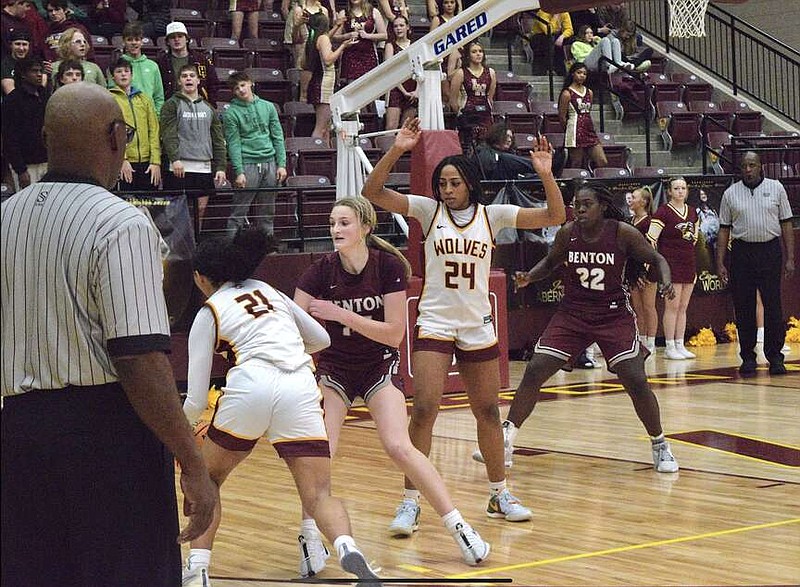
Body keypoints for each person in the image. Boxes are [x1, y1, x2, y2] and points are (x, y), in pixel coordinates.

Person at [1, 81, 216, 586]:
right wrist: (193, 462)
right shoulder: (122, 224)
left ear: (46, 137)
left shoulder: (4, 217)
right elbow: (139, 361)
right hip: (106, 439)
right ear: (117, 137)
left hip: (18, 433)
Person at [362, 118, 567, 534]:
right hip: (436, 321)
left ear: (470, 183)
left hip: (477, 325)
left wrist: (545, 175)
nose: (447, 190)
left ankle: (499, 493)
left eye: (454, 183)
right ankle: (410, 501)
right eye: (443, 184)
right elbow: (372, 193)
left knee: (488, 412)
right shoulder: (427, 209)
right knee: (423, 410)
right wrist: (399, 149)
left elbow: (556, 214)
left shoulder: (494, 215)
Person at [293, 197, 491, 575]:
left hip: (377, 365)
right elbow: (291, 323)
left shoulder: (387, 266)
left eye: (344, 223)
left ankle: (460, 526)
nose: (336, 230)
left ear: (365, 227)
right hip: (334, 368)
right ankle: (308, 535)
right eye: (333, 223)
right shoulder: (318, 272)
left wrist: (338, 313)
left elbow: (393, 333)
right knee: (322, 454)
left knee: (399, 445)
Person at [180, 227, 380, 587]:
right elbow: (321, 339)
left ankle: (198, 569)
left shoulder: (210, 311)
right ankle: (349, 548)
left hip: (250, 386)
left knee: (208, 480)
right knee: (319, 494)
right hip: (299, 386)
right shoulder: (268, 291)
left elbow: (195, 398)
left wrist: (177, 435)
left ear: (200, 278)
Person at [498, 183, 680, 473]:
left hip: (612, 315)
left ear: (603, 206)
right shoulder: (568, 233)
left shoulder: (622, 233)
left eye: (586, 204)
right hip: (573, 314)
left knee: (635, 379)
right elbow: (550, 262)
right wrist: (529, 278)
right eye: (576, 204)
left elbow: (656, 258)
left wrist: (666, 281)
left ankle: (660, 444)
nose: (579, 209)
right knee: (535, 369)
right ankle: (506, 438)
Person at [716, 151, 794, 376]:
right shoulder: (730, 193)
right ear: (740, 169)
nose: (748, 170)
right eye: (744, 166)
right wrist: (720, 262)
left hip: (770, 250)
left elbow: (787, 223)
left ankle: (775, 357)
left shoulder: (776, 188)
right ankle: (748, 358)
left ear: (760, 166)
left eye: (752, 165)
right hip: (742, 252)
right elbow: (724, 229)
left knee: (773, 305)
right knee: (744, 307)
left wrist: (790, 257)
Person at [224, 69, 287, 239]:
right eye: (237, 88)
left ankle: (267, 250)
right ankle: (231, 249)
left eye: (243, 85)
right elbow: (233, 143)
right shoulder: (230, 113)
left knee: (267, 212)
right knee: (239, 211)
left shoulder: (268, 107)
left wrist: (281, 164)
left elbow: (278, 137)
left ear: (250, 83)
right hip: (247, 163)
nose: (241, 90)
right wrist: (239, 171)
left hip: (270, 162)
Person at [647, 177, 698, 361]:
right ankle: (669, 346)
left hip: (689, 263)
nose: (680, 191)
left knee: (683, 307)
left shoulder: (692, 212)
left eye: (683, 188)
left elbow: (695, 239)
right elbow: (651, 239)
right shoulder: (663, 212)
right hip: (671, 266)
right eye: (676, 188)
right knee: (672, 306)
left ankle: (679, 343)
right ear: (669, 191)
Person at [109, 56, 161, 190]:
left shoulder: (144, 99)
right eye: (119, 71)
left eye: (126, 71)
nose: (123, 74)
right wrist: (122, 159)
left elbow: (154, 131)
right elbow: (110, 133)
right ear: (113, 77)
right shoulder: (109, 98)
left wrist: (155, 161)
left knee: (148, 206)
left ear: (132, 75)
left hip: (147, 164)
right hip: (124, 163)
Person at [305, 12, 356, 145]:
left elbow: (326, 39)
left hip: (320, 82)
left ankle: (326, 153)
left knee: (326, 128)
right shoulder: (323, 39)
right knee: (321, 127)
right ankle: (314, 152)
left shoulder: (317, 37)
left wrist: (337, 26)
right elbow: (328, 60)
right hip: (324, 84)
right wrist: (343, 47)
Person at [1, 56, 48, 190]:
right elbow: (10, 138)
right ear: (23, 74)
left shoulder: (45, 95)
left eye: (41, 71)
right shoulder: (12, 101)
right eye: (34, 71)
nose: (39, 75)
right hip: (26, 165)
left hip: (47, 161)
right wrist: (20, 170)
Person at [448, 39, 496, 151]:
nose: (478, 54)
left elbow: (490, 97)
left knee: (486, 149)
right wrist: (460, 113)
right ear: (468, 55)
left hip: (485, 116)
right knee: (468, 150)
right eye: (474, 51)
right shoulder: (461, 73)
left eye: (480, 51)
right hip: (466, 116)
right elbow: (453, 100)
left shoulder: (491, 72)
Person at [559, 61, 607, 170]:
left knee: (602, 161)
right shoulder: (567, 93)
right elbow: (562, 116)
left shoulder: (589, 92)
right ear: (572, 74)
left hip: (589, 129)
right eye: (579, 72)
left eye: (584, 74)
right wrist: (569, 131)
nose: (582, 75)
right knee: (576, 164)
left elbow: (588, 111)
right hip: (575, 130)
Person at [627, 186, 658, 352]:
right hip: (633, 269)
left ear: (644, 202)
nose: (630, 200)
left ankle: (651, 342)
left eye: (634, 197)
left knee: (648, 306)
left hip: (647, 270)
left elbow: (652, 249)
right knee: (637, 308)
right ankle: (641, 339)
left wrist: (643, 271)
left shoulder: (650, 222)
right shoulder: (629, 221)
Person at [157, 21, 218, 104]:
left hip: (199, 105)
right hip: (171, 106)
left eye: (180, 36)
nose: (176, 39)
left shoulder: (202, 59)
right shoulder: (161, 62)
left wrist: (210, 104)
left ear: (187, 39)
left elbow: (213, 83)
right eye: (172, 37)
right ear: (168, 42)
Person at [333, 0, 387, 88]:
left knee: (370, 88)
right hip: (350, 56)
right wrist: (348, 35)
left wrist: (367, 36)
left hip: (369, 56)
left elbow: (384, 35)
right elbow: (335, 37)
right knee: (352, 89)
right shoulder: (344, 13)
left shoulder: (373, 11)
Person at [116, 21, 164, 114]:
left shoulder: (153, 66)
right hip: (128, 115)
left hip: (150, 115)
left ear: (142, 42)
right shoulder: (117, 65)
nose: (134, 43)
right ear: (124, 42)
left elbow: (159, 96)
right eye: (130, 39)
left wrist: (157, 115)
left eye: (137, 39)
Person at [570, 21, 648, 74]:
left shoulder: (593, 43)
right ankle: (610, 66)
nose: (590, 35)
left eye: (591, 33)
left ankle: (618, 64)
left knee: (615, 41)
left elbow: (605, 48)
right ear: (582, 34)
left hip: (600, 62)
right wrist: (595, 50)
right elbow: (579, 58)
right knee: (605, 39)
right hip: (586, 64)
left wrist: (596, 41)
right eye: (587, 33)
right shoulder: (576, 44)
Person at [383, 14, 416, 131]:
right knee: (391, 127)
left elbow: (422, 67)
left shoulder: (415, 44)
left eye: (401, 25)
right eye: (395, 26)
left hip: (413, 89)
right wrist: (404, 91)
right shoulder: (390, 45)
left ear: (407, 27)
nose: (398, 28)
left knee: (407, 129)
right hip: (396, 88)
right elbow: (389, 70)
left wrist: (416, 92)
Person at [473, 122, 538, 181]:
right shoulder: (484, 150)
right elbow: (487, 168)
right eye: (507, 136)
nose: (509, 140)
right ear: (497, 135)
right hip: (495, 182)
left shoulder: (511, 153)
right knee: (505, 158)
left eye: (511, 138)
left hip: (515, 180)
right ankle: (536, 165)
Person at [528, 8, 573, 76]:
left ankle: (561, 72)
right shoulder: (543, 12)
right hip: (538, 37)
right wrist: (555, 17)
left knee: (566, 40)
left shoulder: (564, 12)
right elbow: (548, 30)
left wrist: (562, 36)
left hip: (554, 37)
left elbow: (570, 29)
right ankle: (548, 68)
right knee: (549, 39)